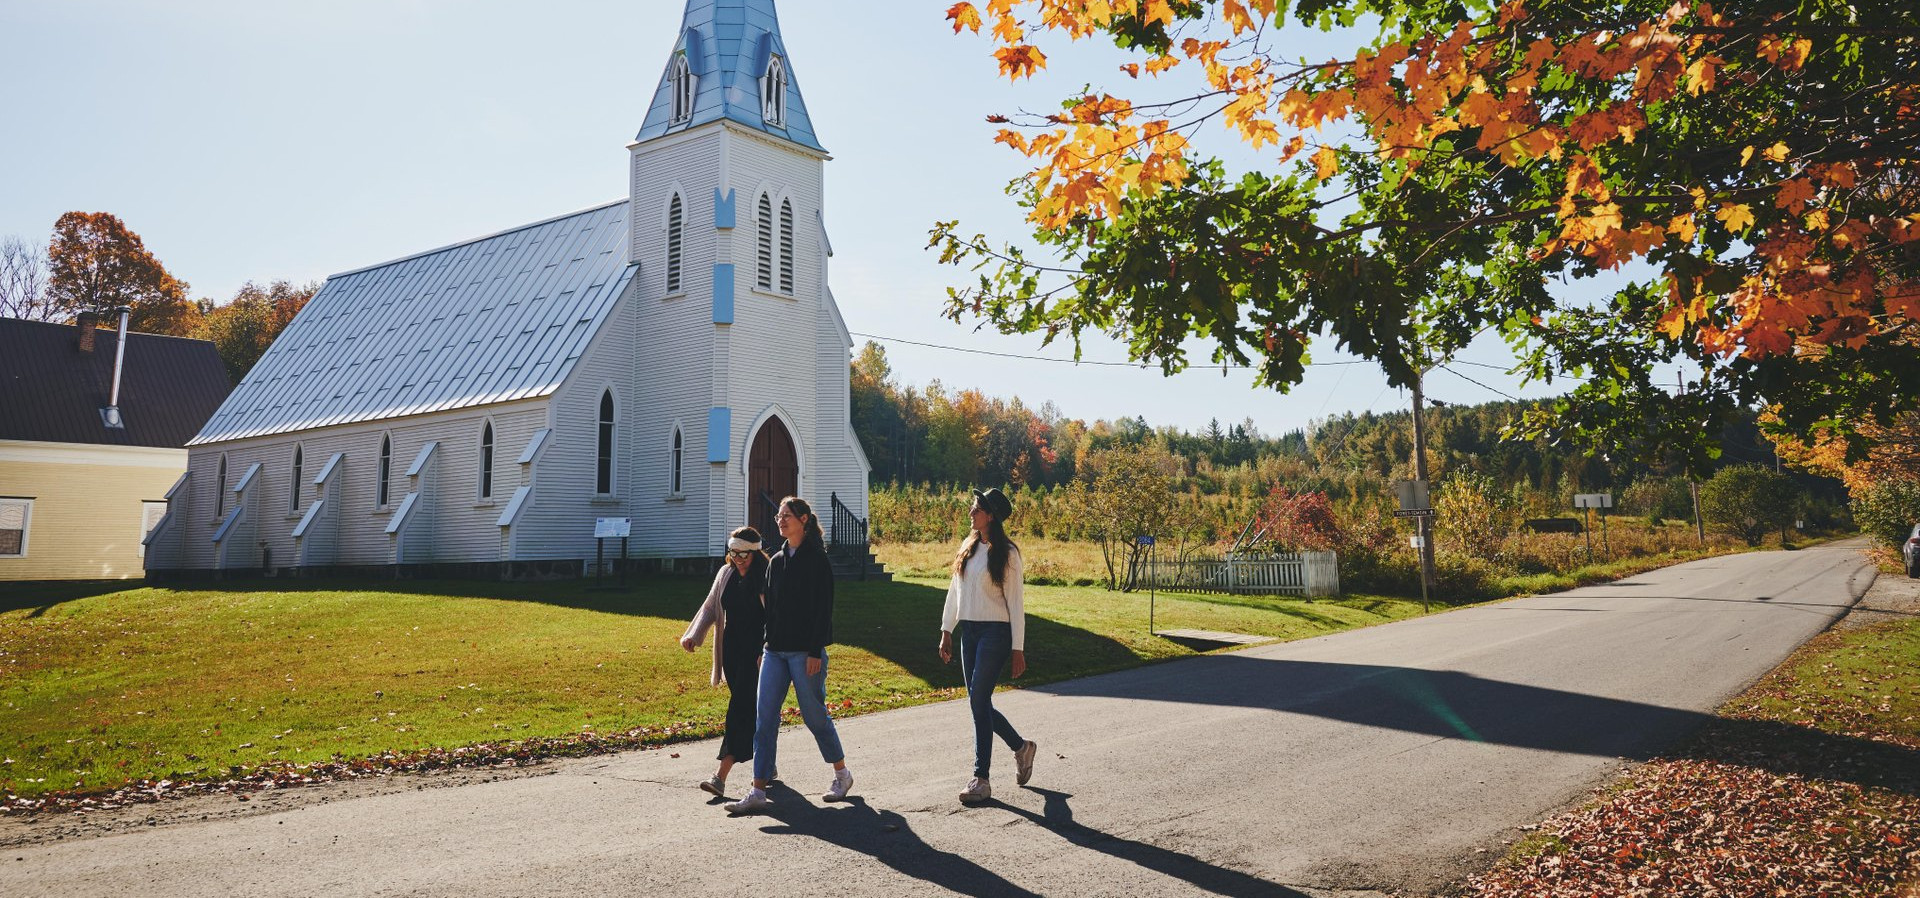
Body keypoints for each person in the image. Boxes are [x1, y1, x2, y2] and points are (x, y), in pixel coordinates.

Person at [723, 496, 853, 814]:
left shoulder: (816, 560)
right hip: (774, 652)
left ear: (804, 520)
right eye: (779, 515)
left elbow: (823, 609)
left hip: (804, 652)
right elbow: (771, 610)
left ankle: (841, 774)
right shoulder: (777, 561)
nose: (780, 520)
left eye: (787, 516)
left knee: (814, 716)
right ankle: (757, 789)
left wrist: (814, 651)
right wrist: (764, 645)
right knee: (764, 718)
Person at [938, 487, 1038, 804]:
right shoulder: (968, 548)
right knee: (978, 703)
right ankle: (1022, 748)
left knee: (979, 699)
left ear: (989, 515)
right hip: (970, 632)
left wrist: (1018, 649)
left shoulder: (1007, 554)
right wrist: (946, 630)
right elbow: (956, 592)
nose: (971, 512)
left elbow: (1016, 603)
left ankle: (981, 779)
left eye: (976, 508)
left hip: (997, 632)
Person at [680, 526, 770, 798]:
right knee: (747, 708)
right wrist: (694, 635)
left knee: (739, 708)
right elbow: (710, 606)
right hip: (731, 649)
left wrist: (767, 649)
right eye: (734, 552)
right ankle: (767, 762)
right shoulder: (726, 573)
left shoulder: (765, 576)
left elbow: (774, 616)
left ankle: (720, 776)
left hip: (757, 653)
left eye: (744, 553)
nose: (739, 559)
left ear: (755, 552)